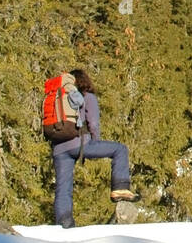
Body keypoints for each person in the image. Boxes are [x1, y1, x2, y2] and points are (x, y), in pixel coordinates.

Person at [51, 68, 137, 228]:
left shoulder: (58, 97)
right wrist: (94, 142)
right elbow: (94, 123)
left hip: (59, 148)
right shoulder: (87, 96)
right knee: (120, 149)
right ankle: (120, 188)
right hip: (80, 143)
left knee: (63, 189)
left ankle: (64, 224)